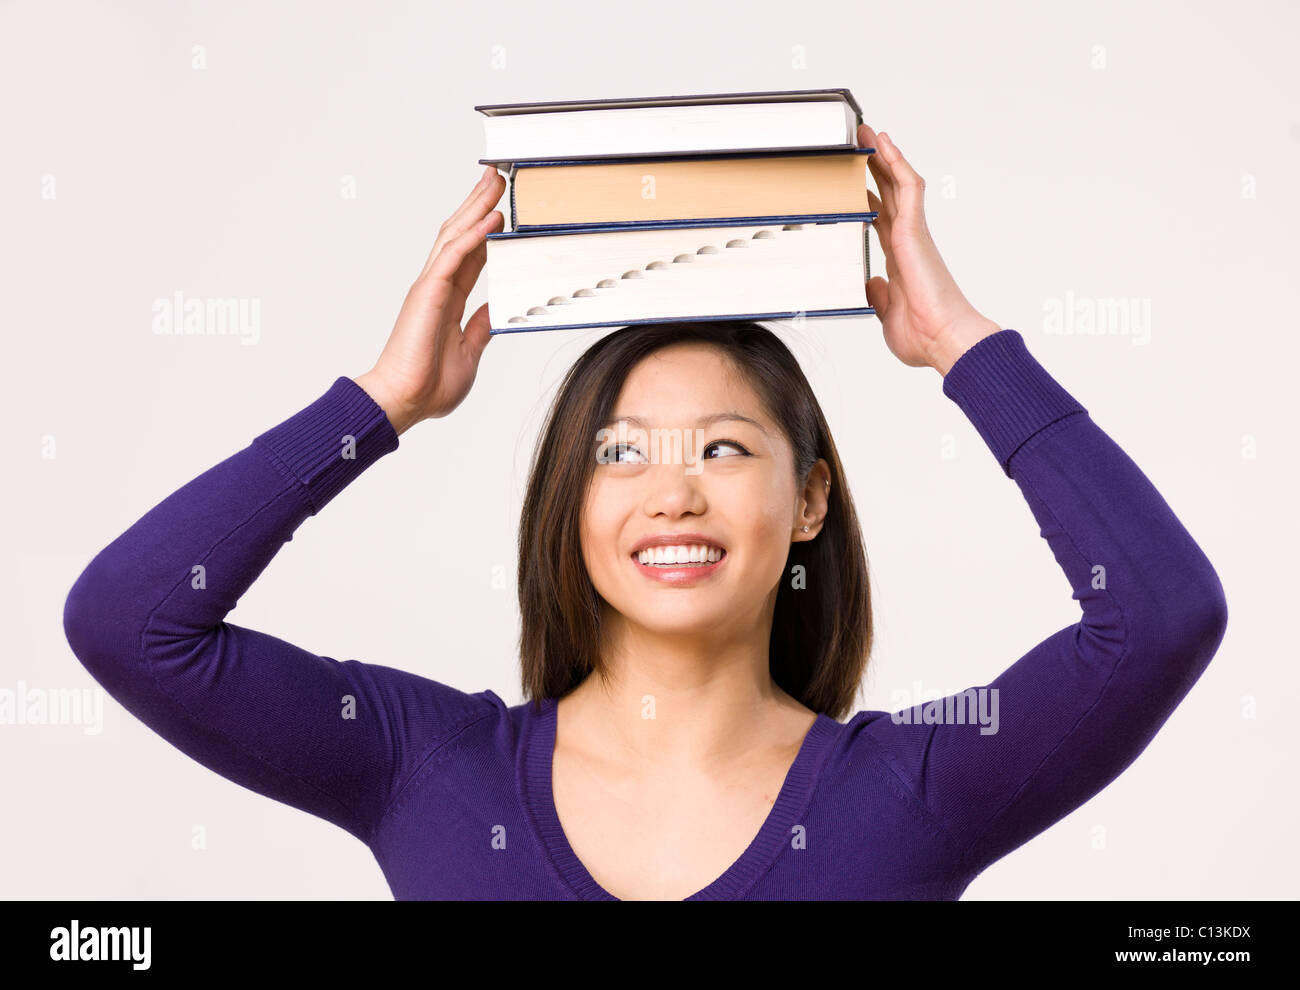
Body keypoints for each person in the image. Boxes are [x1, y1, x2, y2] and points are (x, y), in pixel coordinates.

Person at [62, 124, 1228, 900]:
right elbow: (131, 623)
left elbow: (1161, 615)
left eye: (724, 447)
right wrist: (380, 402)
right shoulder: (425, 766)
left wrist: (961, 347)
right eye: (622, 453)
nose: (675, 489)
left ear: (809, 499)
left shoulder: (912, 794)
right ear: (568, 505)